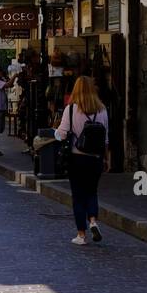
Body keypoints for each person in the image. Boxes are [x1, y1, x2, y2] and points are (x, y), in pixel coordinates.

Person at [54, 75, 110, 246]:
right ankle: (93, 220)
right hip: (95, 158)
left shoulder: (71, 109)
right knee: (92, 192)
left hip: (76, 158)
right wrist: (106, 158)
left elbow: (62, 134)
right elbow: (105, 138)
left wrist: (55, 132)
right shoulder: (102, 109)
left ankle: (81, 234)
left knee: (78, 196)